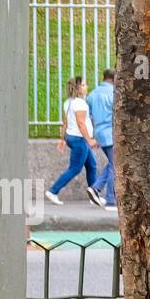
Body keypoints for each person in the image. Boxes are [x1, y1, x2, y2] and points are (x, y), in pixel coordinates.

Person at [45, 77, 100, 207]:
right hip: (79, 139)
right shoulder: (80, 103)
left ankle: (94, 197)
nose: (87, 86)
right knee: (75, 168)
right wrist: (90, 140)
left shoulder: (68, 102)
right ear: (78, 88)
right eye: (84, 85)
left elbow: (66, 122)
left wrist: (63, 138)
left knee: (91, 166)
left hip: (72, 137)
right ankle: (53, 191)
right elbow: (81, 124)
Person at [85, 68, 116, 211]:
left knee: (112, 163)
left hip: (99, 132)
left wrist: (94, 136)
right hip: (111, 132)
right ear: (112, 79)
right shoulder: (113, 93)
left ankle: (96, 188)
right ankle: (110, 200)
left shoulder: (92, 94)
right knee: (115, 166)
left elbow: (89, 116)